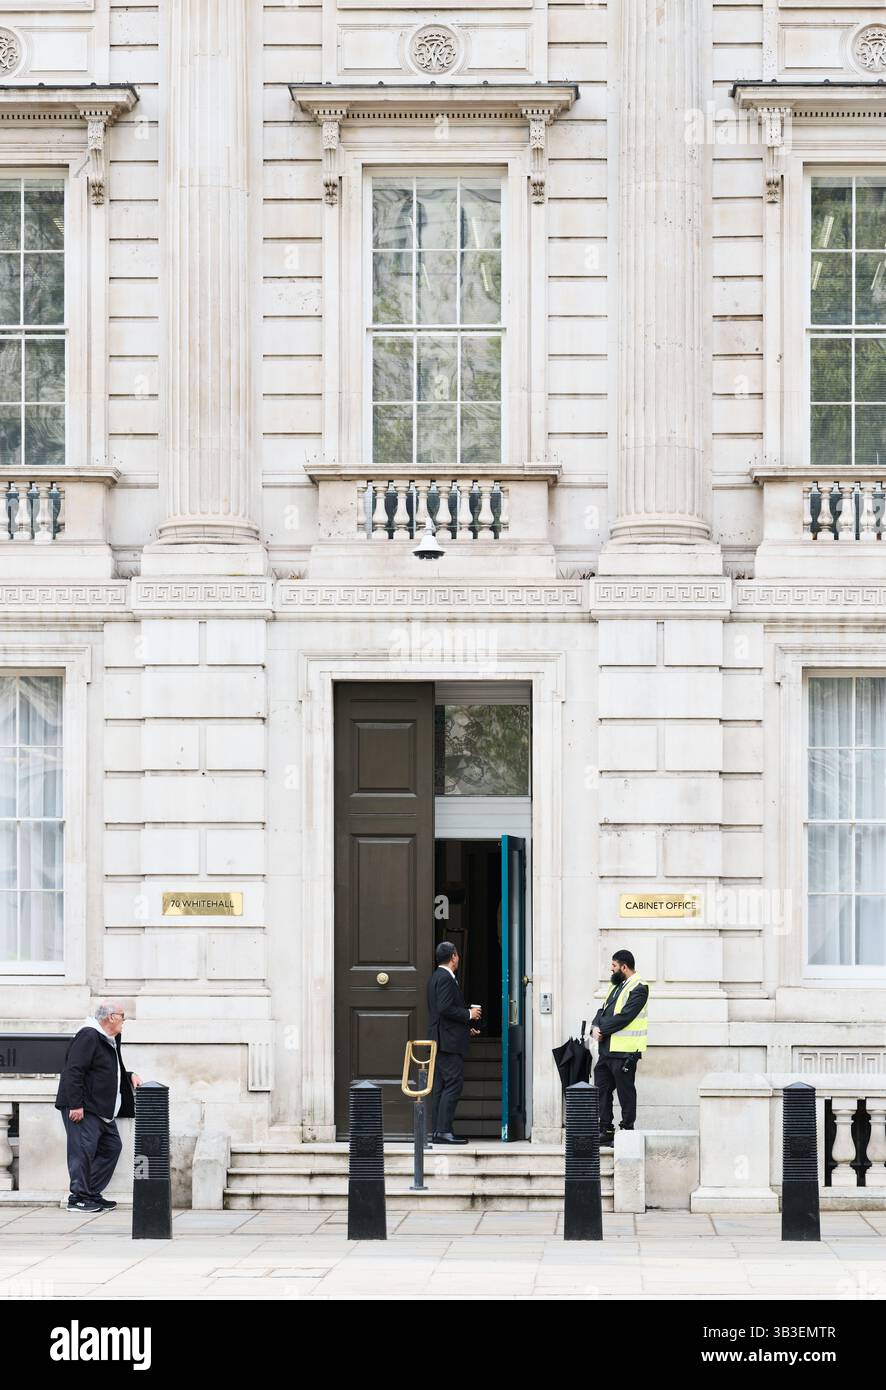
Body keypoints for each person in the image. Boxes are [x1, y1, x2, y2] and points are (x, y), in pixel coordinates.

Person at [54, 1000, 142, 1213]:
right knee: (82, 1152)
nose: (124, 1021)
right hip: (84, 1107)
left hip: (103, 1109)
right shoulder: (88, 1035)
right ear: (111, 1017)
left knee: (112, 1147)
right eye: (122, 1016)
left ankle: (90, 1192)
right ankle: (78, 1198)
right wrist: (75, 1104)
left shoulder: (110, 1038)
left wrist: (128, 1076)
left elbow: (111, 1068)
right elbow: (73, 1071)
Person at [590, 950, 649, 1146]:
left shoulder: (639, 987)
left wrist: (603, 1029)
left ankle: (627, 1131)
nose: (611, 969)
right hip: (607, 1050)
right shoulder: (616, 986)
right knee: (602, 1089)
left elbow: (625, 1017)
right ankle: (606, 1129)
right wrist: (595, 1027)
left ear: (624, 967)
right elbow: (603, 1010)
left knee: (625, 1092)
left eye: (614, 966)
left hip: (625, 1052)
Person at [427, 942, 481, 1145]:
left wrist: (465, 1029)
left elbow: (443, 1015)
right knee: (453, 1084)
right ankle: (443, 1131)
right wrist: (470, 1013)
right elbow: (444, 1008)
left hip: (443, 1039)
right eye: (457, 955)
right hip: (448, 1043)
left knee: (441, 1086)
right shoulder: (445, 978)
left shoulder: (435, 977)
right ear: (454, 957)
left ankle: (439, 1131)